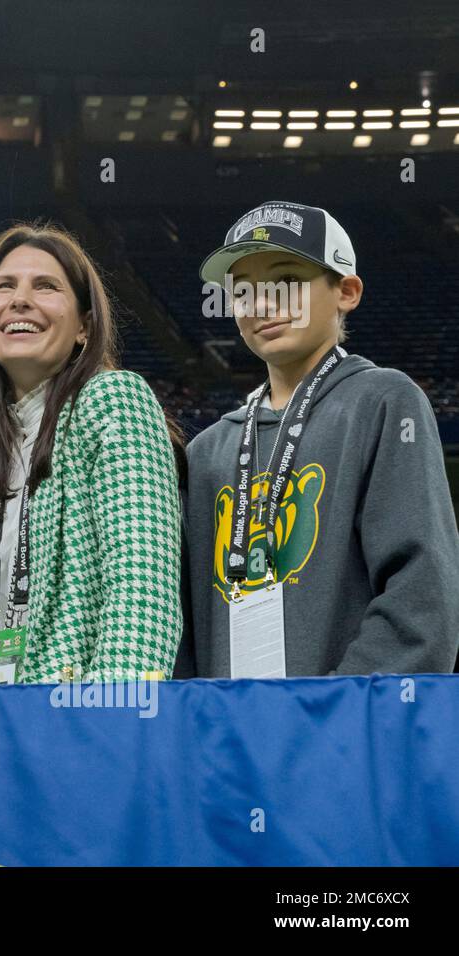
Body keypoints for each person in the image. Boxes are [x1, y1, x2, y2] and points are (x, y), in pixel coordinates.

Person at [177, 200, 459, 678]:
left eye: (287, 283)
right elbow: (182, 628)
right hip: (226, 740)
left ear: (346, 291)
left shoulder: (383, 402)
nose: (263, 304)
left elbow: (421, 599)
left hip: (343, 734)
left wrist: (328, 719)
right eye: (243, 291)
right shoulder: (205, 452)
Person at [0, 223, 183, 684]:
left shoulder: (113, 400)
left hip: (72, 723)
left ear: (84, 326)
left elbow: (142, 589)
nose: (20, 299)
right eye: (4, 287)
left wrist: (105, 725)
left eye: (46, 286)